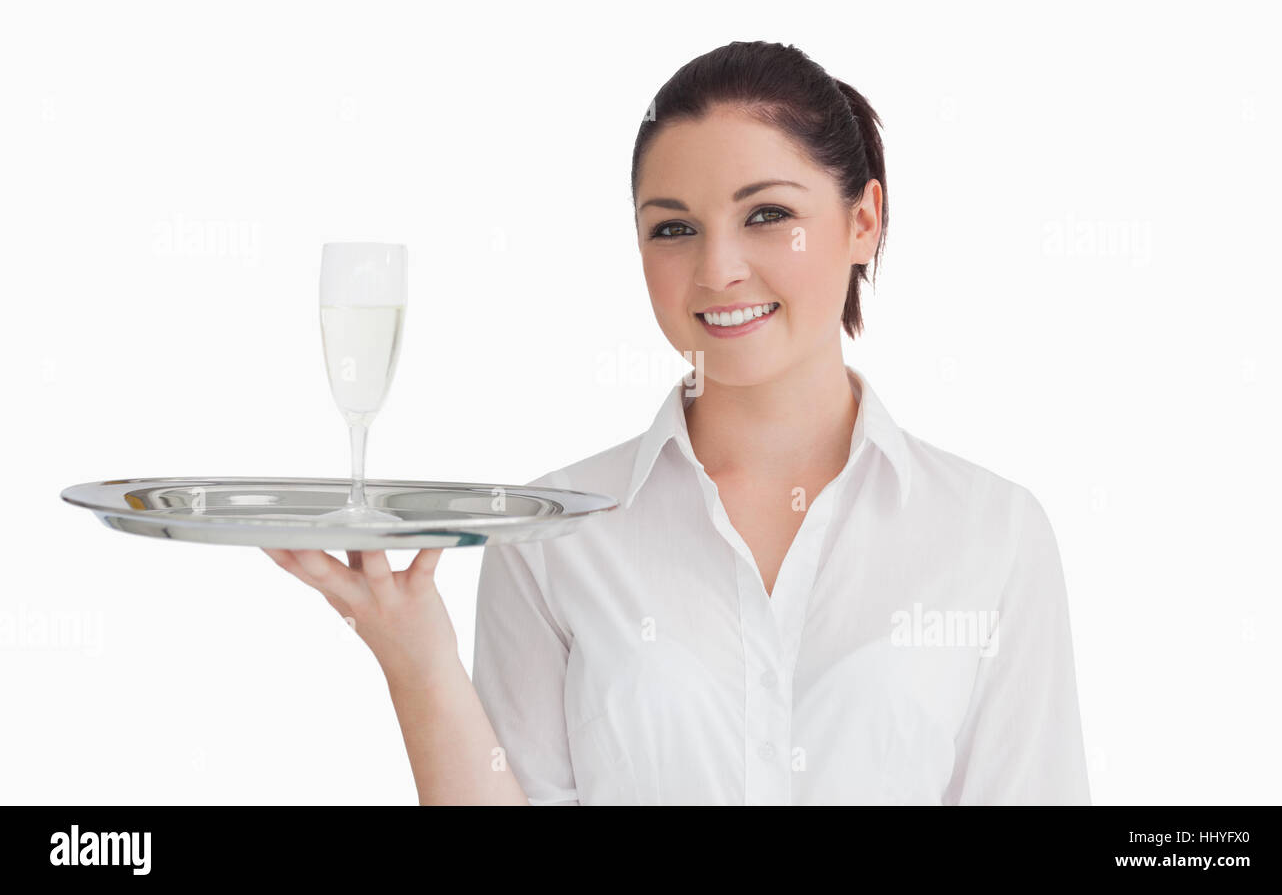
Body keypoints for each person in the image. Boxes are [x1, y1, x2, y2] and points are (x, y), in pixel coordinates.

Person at [263, 40, 1090, 805]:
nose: (718, 269)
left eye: (766, 214)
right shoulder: (555, 532)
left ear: (863, 221)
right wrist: (418, 663)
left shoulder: (992, 537)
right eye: (674, 229)